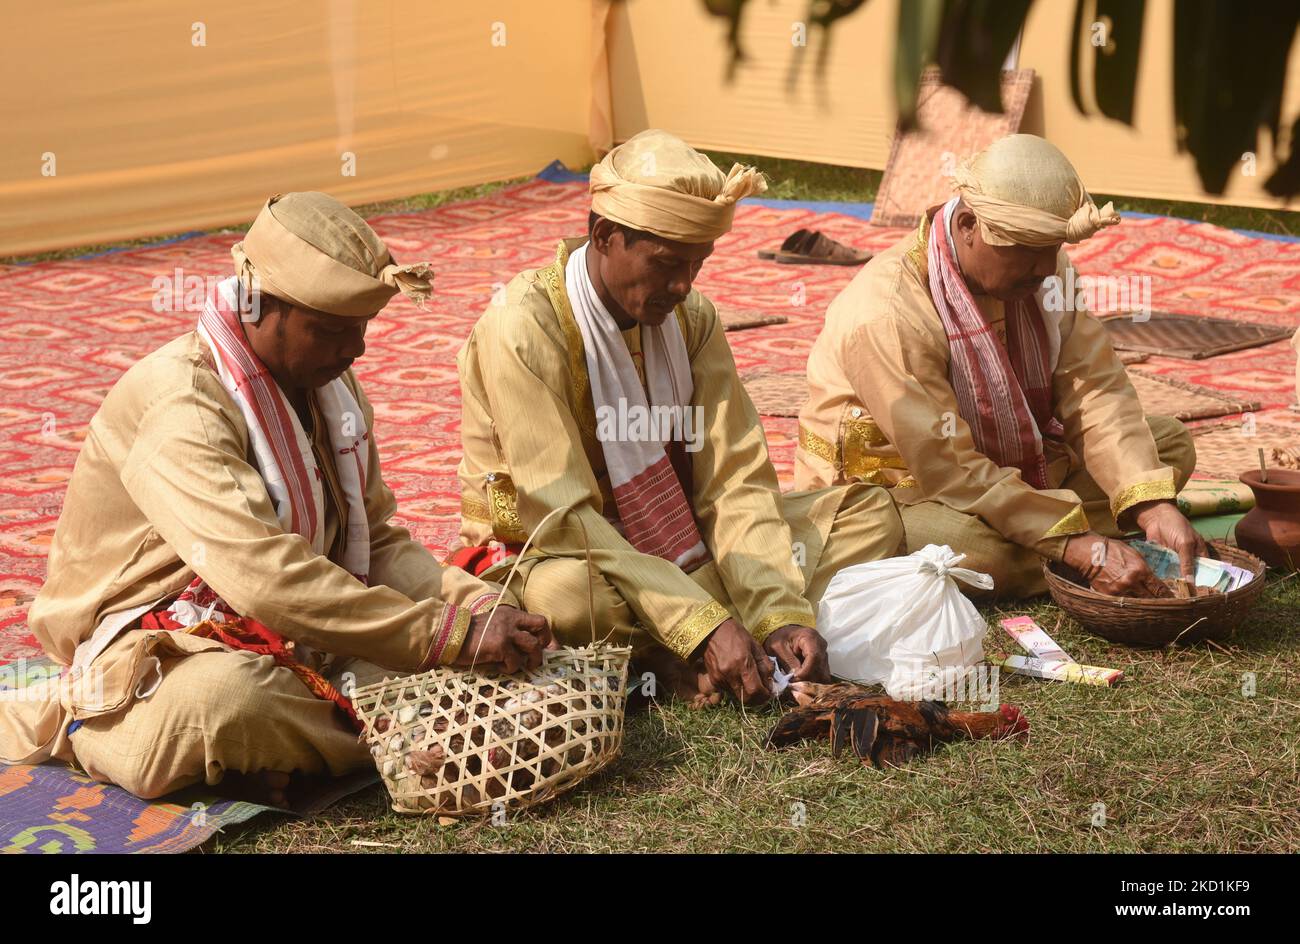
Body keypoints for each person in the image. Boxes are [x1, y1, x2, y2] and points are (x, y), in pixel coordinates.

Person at [0, 192, 550, 802]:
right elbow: (265, 579)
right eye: (332, 331)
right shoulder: (182, 402)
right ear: (260, 304)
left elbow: (378, 540)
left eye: (361, 329)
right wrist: (445, 637)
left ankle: (327, 743)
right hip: (155, 638)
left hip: (288, 630)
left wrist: (473, 608)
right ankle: (101, 733)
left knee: (435, 651)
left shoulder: (329, 388)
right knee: (228, 702)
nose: (357, 350)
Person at [453, 130, 905, 707]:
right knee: (566, 599)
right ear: (603, 237)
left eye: (698, 263)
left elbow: (734, 476)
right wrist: (701, 623)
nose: (684, 284)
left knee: (868, 514)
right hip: (561, 549)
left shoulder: (691, 318)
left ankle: (708, 630)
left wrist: (778, 616)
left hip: (677, 533)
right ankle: (679, 649)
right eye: (667, 263)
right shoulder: (522, 325)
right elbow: (564, 515)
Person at [796, 134, 1200, 599]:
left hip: (1010, 463)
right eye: (1029, 250)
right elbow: (947, 467)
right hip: (902, 491)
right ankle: (1073, 552)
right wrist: (1077, 548)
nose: (1047, 268)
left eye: (1054, 248)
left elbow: (1094, 388)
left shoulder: (1047, 267)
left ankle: (1063, 542)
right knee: (975, 548)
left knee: (1167, 447)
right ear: (968, 225)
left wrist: (1150, 505)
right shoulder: (886, 311)